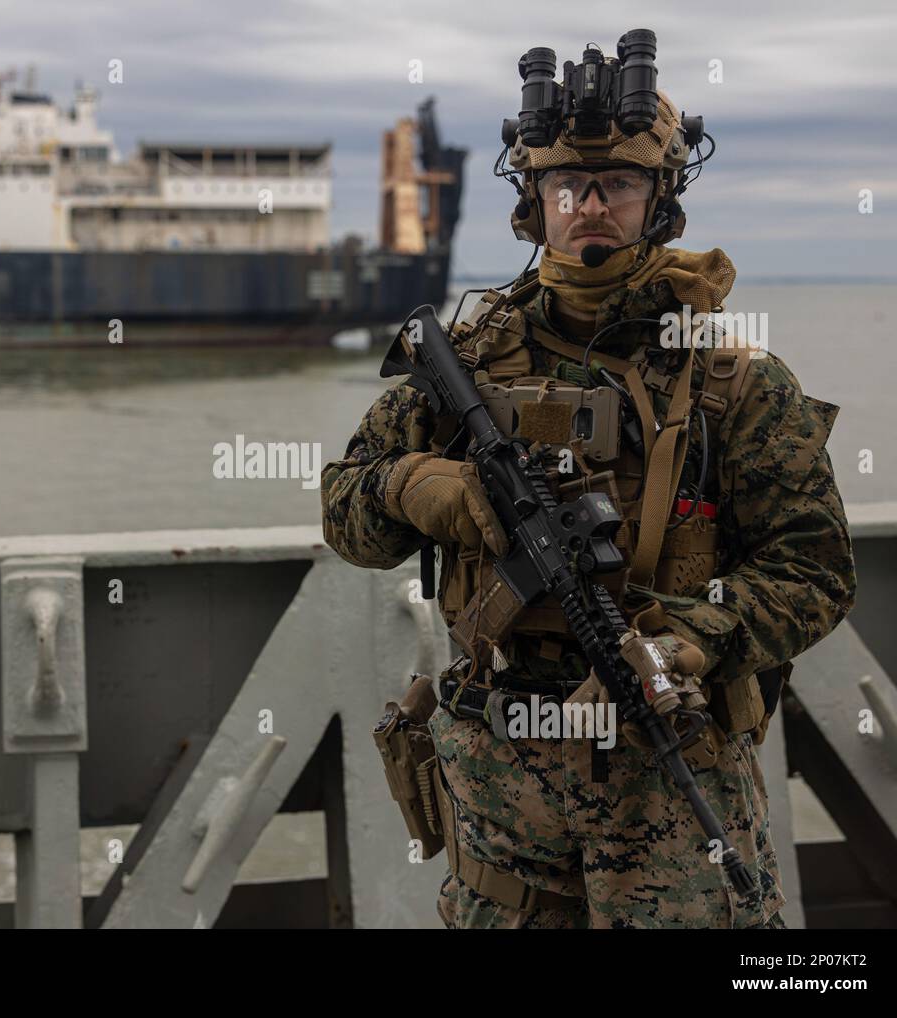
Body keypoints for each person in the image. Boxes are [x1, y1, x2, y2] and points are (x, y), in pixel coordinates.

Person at [320, 39, 856, 929]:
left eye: (620, 187)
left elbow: (817, 572)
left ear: (661, 206)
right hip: (501, 791)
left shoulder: (732, 381)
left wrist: (689, 641)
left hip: (669, 783)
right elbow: (348, 517)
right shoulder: (463, 364)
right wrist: (425, 487)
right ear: (535, 206)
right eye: (569, 186)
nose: (593, 206)